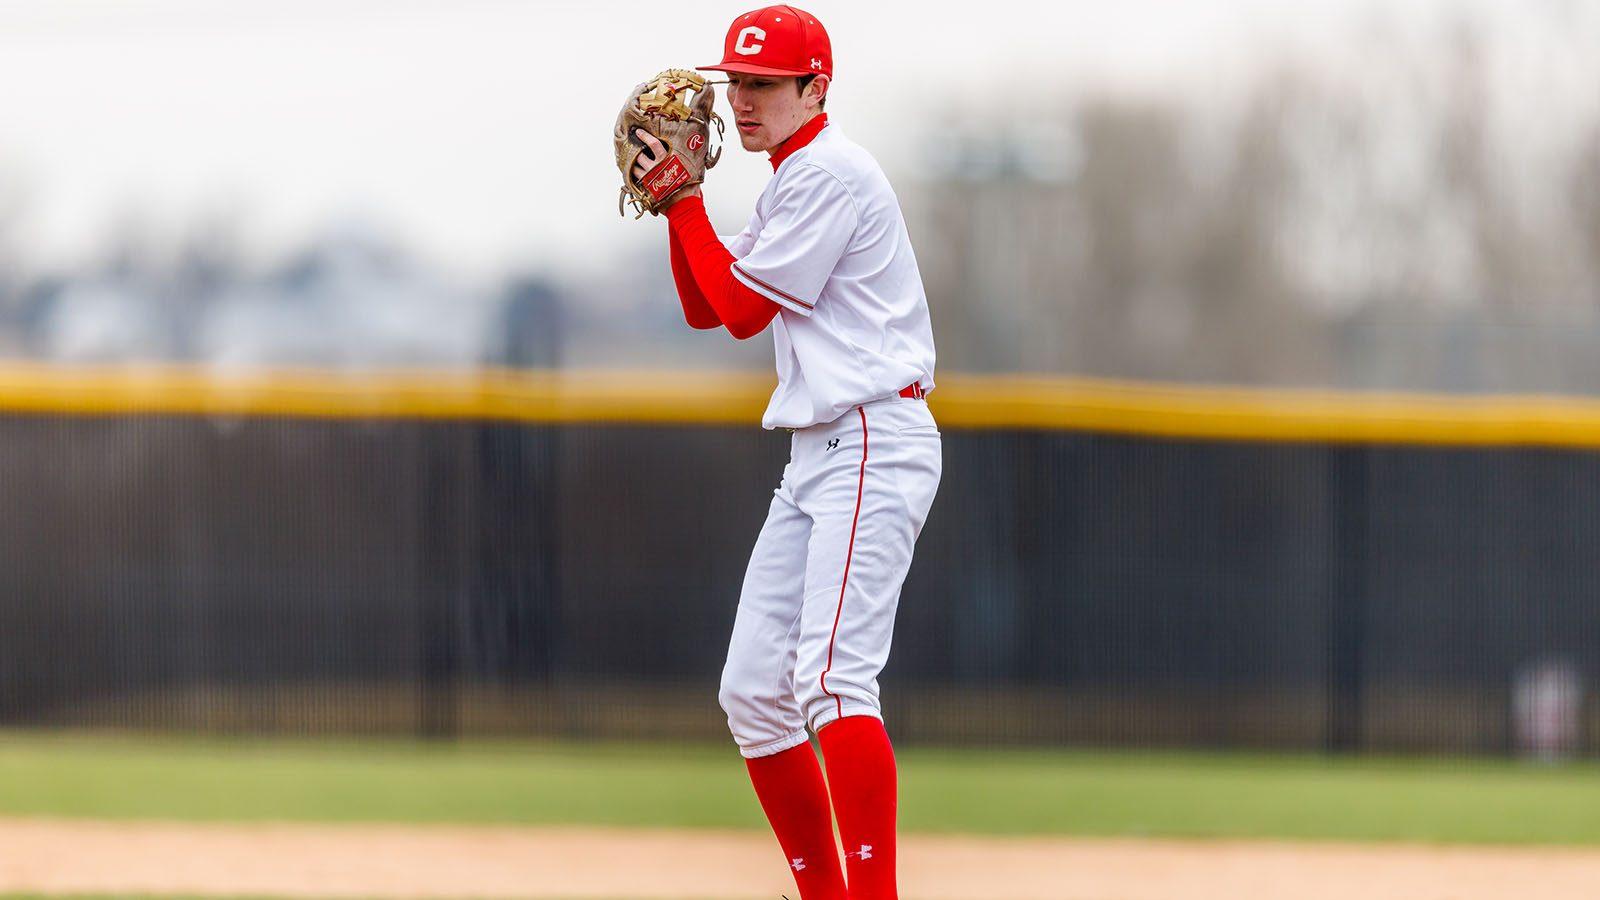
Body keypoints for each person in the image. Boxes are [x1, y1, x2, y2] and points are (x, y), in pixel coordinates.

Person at [630, 7, 940, 899]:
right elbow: (707, 307)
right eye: (737, 81)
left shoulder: (829, 175)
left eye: (763, 83)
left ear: (816, 87)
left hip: (873, 435)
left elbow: (739, 310)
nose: (742, 98)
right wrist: (672, 211)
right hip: (820, 453)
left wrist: (688, 203)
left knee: (834, 683)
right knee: (753, 694)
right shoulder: (789, 180)